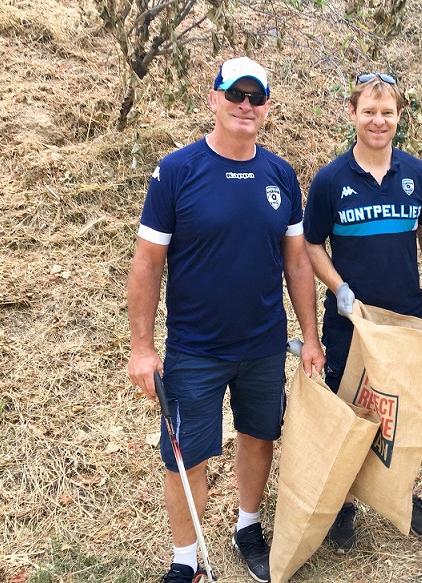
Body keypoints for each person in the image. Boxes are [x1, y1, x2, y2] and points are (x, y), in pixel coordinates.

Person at [126, 56, 325, 583]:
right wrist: (142, 348)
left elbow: (297, 262)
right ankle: (185, 560)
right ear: (213, 98)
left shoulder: (280, 174)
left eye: (256, 98)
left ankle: (248, 527)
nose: (245, 105)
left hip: (263, 344)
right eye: (235, 94)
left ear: (266, 107)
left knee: (258, 436)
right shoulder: (177, 171)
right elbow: (147, 264)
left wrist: (310, 336)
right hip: (195, 349)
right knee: (185, 455)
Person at [303, 72, 422, 552]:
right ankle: (344, 505)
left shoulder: (418, 175)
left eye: (387, 112)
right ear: (352, 114)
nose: (378, 120)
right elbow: (311, 245)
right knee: (351, 410)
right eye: (368, 111)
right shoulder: (330, 181)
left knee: (401, 411)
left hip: (404, 318)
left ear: (398, 117)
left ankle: (401, 495)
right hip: (350, 321)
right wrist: (339, 287)